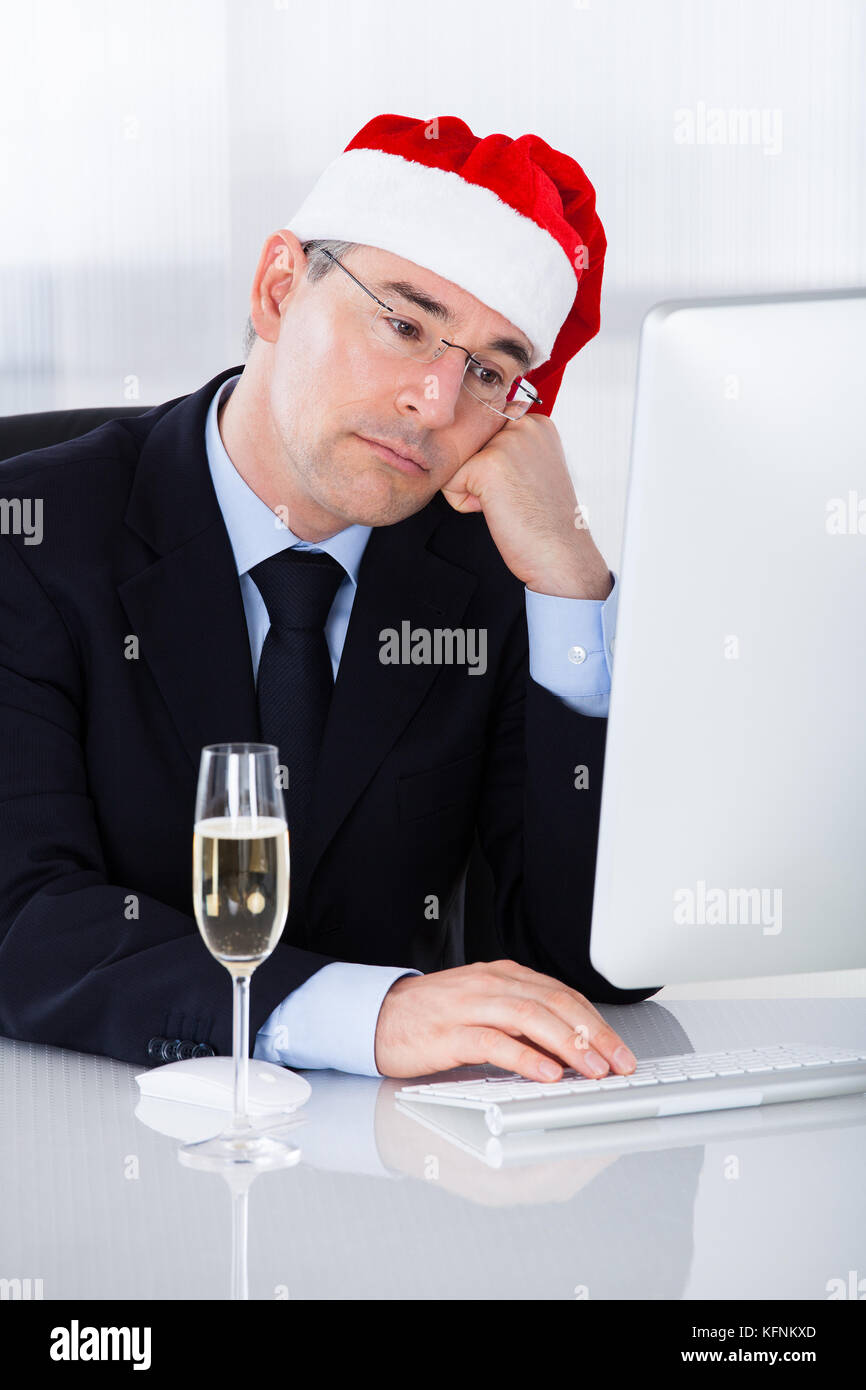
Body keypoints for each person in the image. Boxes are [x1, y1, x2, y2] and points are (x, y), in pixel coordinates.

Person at [0, 112, 661, 1083]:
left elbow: (593, 953)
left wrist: (569, 585)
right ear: (278, 288)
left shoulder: (497, 574)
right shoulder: (33, 533)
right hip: (91, 1131)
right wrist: (358, 1013)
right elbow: (23, 916)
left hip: (396, 1162)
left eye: (487, 369)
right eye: (403, 323)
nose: (433, 403)